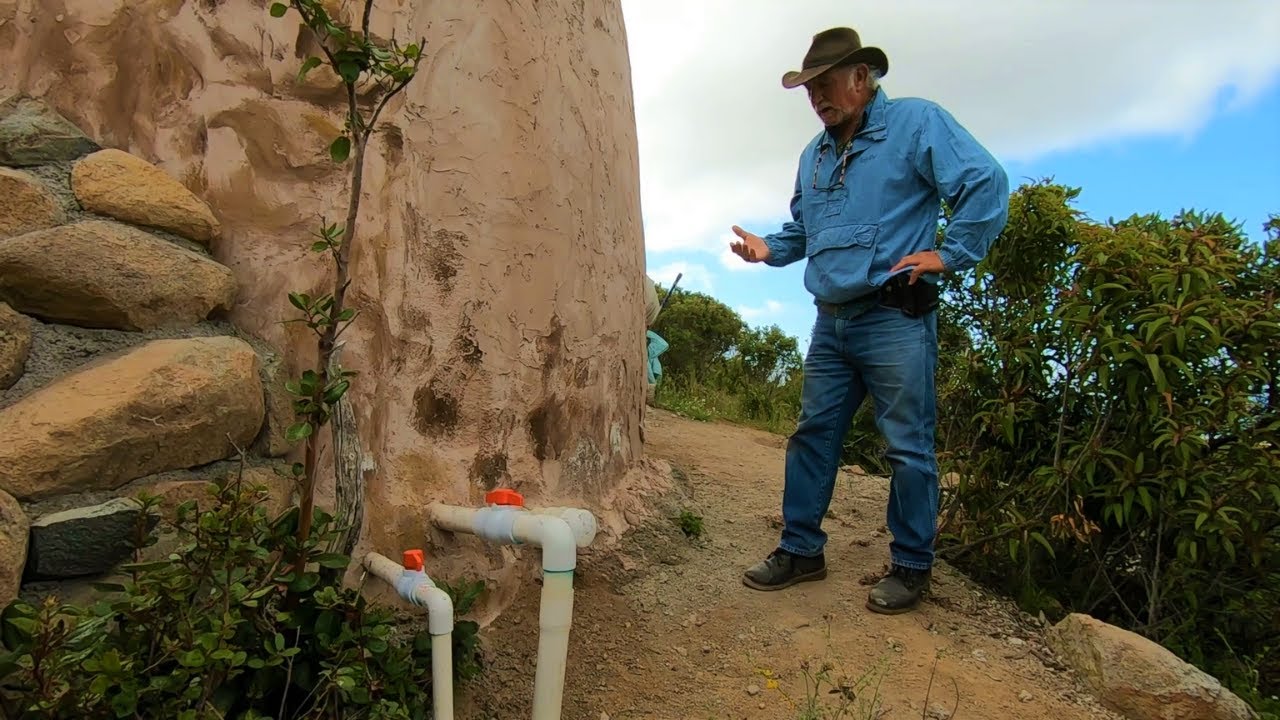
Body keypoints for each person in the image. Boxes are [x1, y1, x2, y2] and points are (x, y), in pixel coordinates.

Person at [729, 27, 1009, 614]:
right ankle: (801, 550)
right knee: (812, 436)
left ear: (861, 78)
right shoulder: (814, 154)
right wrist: (768, 250)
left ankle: (911, 566)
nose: (817, 98)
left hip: (893, 319)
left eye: (825, 85)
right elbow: (805, 231)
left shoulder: (917, 123)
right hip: (830, 322)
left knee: (908, 447)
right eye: (809, 90)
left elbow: (986, 182)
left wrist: (950, 253)